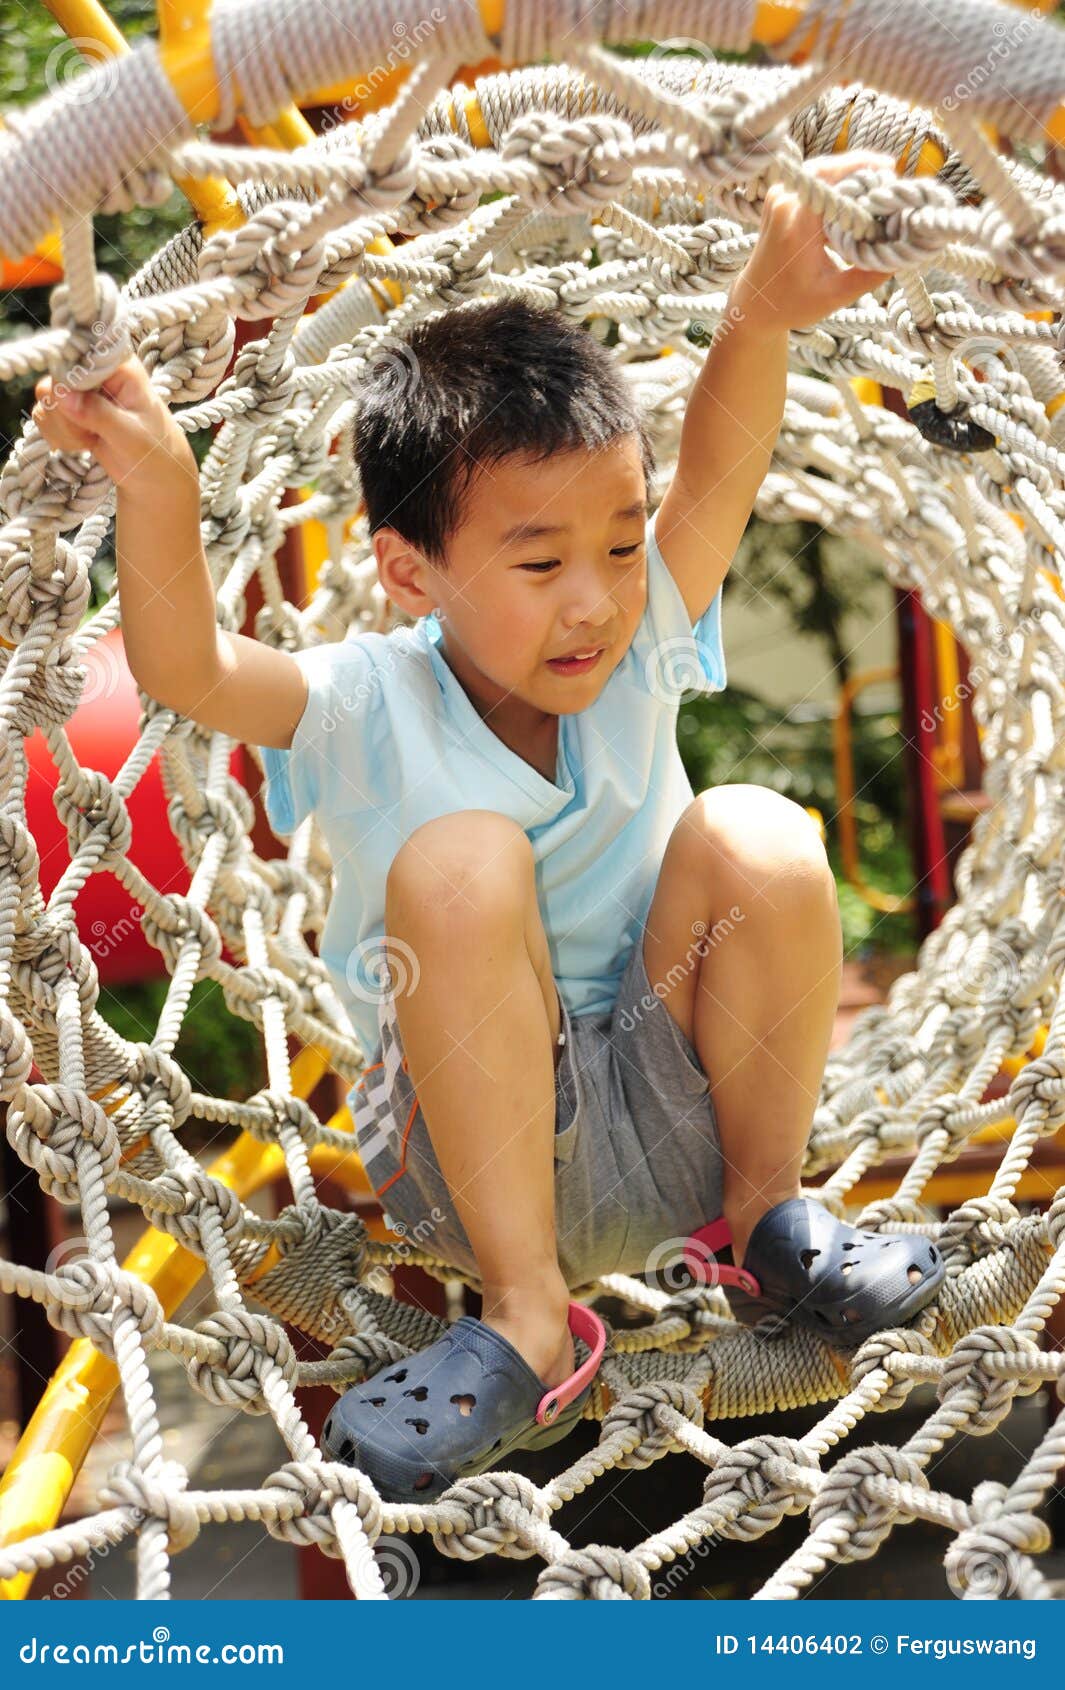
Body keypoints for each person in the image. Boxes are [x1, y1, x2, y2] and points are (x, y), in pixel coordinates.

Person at [31, 148, 943, 1504]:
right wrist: (161, 480)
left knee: (756, 829)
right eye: (538, 561)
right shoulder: (362, 699)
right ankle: (524, 1317)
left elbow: (716, 471)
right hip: (465, 1153)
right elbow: (188, 671)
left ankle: (770, 1217)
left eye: (621, 546)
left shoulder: (639, 643)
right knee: (463, 857)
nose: (593, 598)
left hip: (675, 1098)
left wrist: (758, 314)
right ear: (409, 571)